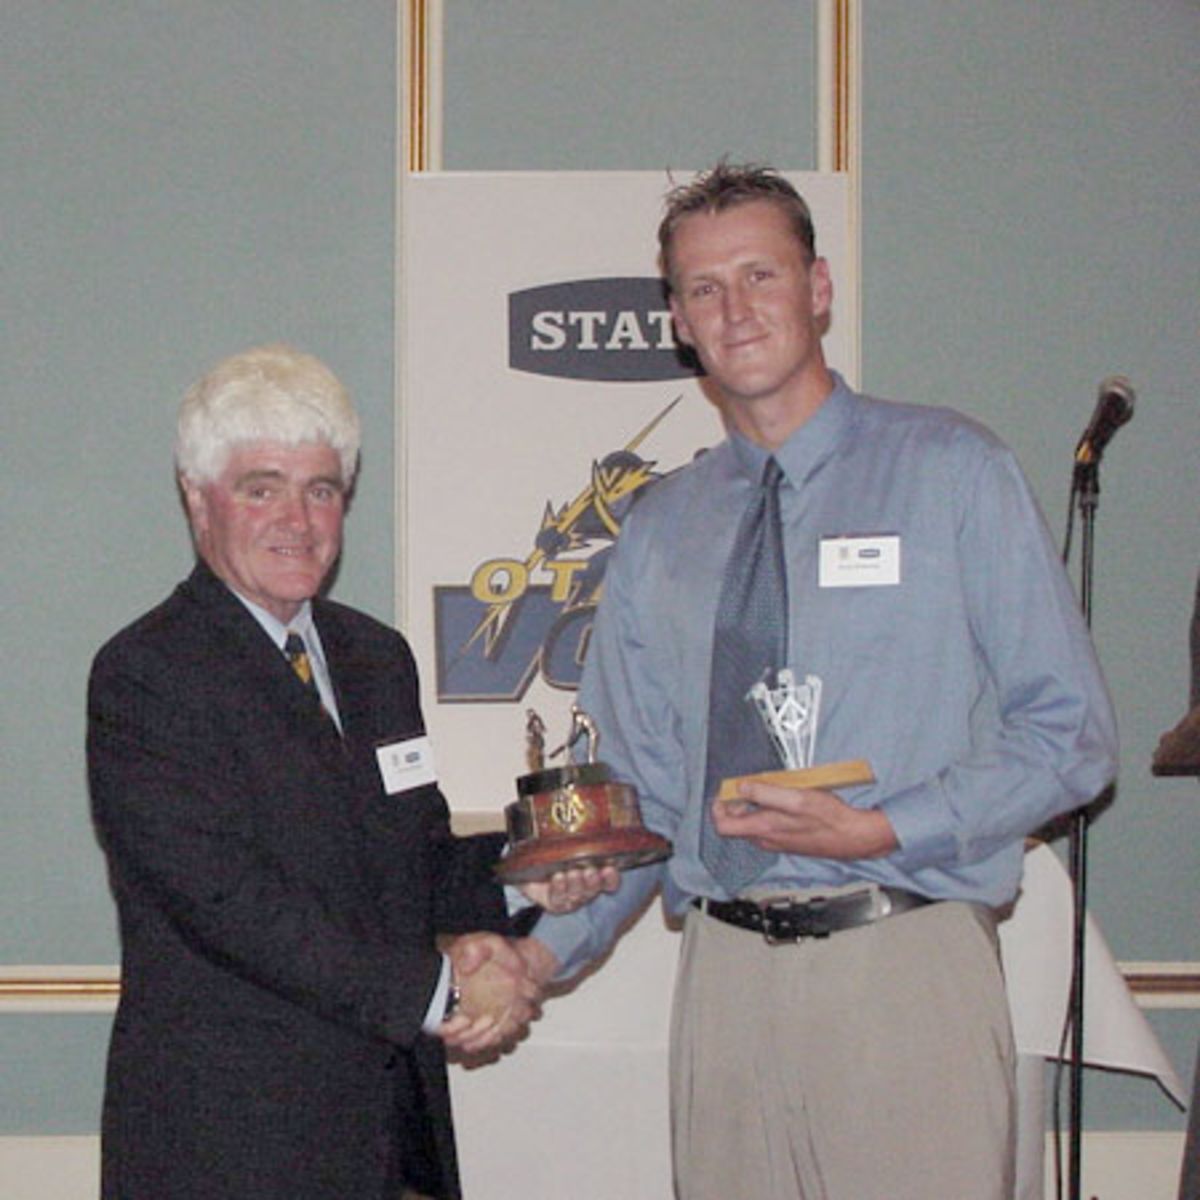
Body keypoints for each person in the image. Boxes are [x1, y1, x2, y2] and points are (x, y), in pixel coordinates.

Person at [516, 164, 1118, 1199]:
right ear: (679, 323)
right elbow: (642, 793)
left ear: (820, 287)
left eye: (762, 274)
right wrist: (537, 957)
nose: (736, 309)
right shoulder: (660, 530)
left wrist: (882, 829)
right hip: (725, 982)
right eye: (705, 288)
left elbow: (1071, 736)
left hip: (904, 959)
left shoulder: (953, 470)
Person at [87, 343, 615, 1200]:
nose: (298, 520)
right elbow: (230, 904)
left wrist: (528, 874)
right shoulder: (147, 674)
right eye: (262, 488)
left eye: (322, 489)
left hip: (384, 1135)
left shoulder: (376, 659)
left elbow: (413, 860)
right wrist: (442, 988)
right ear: (197, 497)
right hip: (226, 1146)